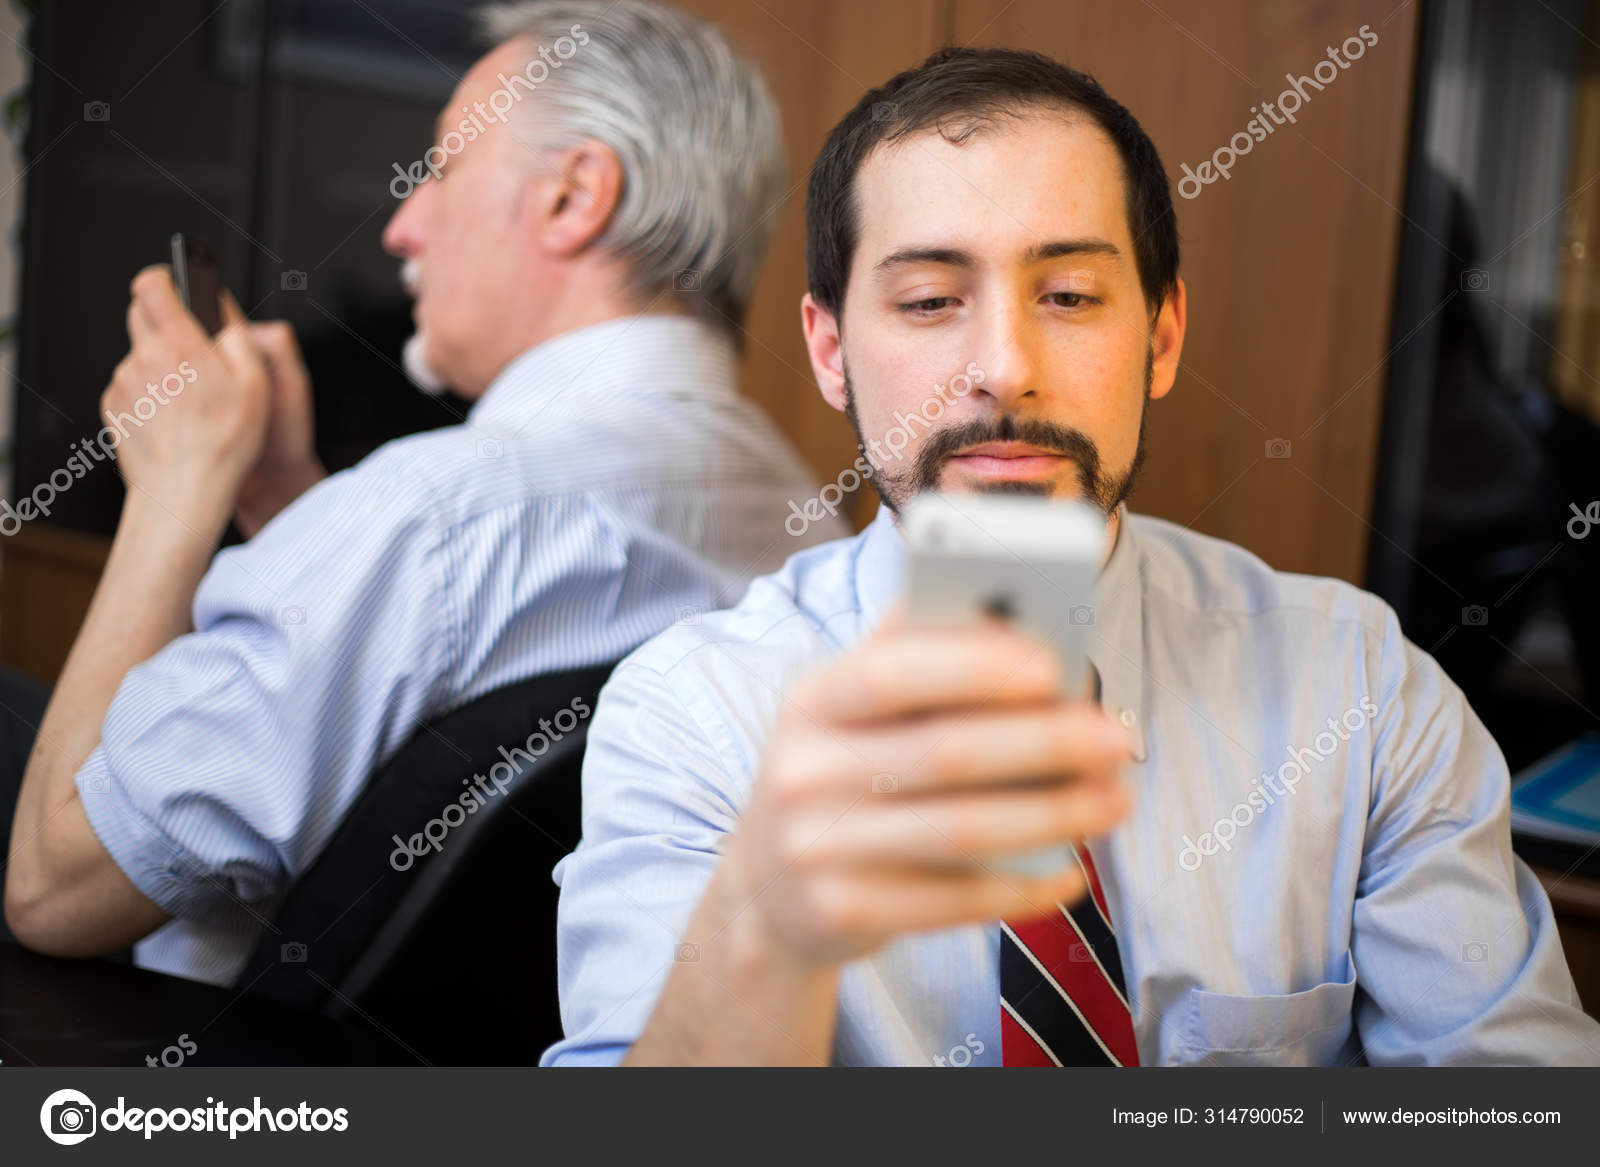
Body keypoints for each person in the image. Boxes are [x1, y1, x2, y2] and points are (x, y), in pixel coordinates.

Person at [542, 46, 1600, 1066]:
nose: (1004, 368)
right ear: (831, 352)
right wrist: (764, 925)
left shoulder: (1364, 693)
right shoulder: (694, 717)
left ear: (1163, 336)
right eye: (928, 301)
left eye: (1069, 297)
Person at [4, 0, 845, 986]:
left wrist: (175, 489)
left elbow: (54, 888)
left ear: (574, 197)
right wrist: (291, 501)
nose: (402, 228)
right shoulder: (812, 526)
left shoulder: (433, 514)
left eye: (443, 168)